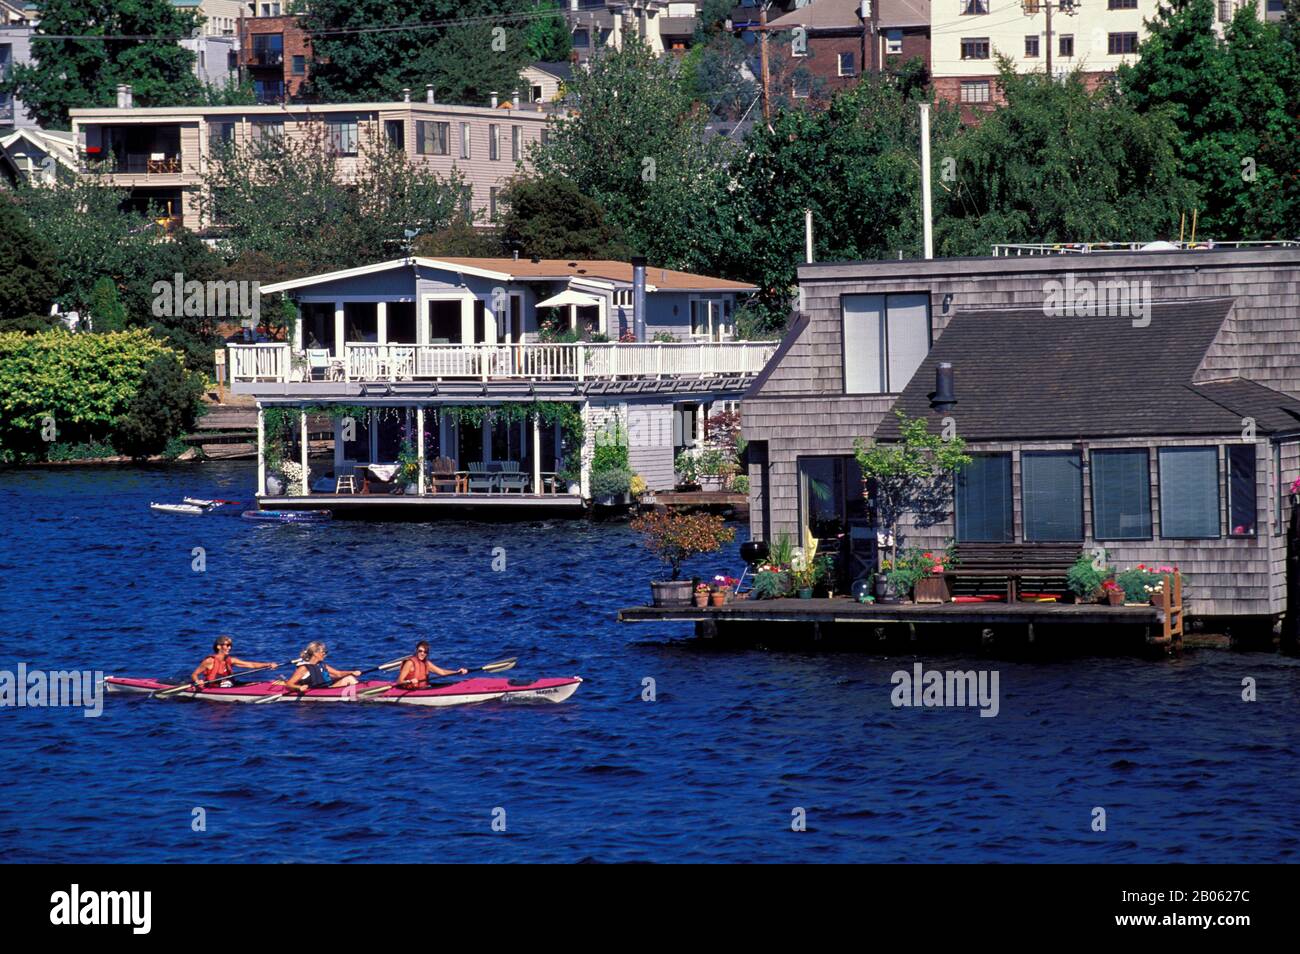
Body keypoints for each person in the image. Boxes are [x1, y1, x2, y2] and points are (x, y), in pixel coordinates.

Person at [190, 637, 276, 687]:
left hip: (230, 685)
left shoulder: (231, 660)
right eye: (227, 645)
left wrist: (268, 664)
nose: (229, 648)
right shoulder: (209, 661)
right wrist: (197, 681)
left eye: (230, 645)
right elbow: (194, 674)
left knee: (255, 684)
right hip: (213, 687)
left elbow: (251, 664)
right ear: (219, 647)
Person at [282, 642, 361, 694]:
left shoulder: (321, 664)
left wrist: (352, 672)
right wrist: (299, 687)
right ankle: (359, 694)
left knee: (349, 677)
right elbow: (289, 684)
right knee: (349, 679)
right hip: (315, 692)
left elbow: (338, 674)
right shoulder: (303, 668)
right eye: (323, 652)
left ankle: (359, 692)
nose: (325, 654)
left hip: (326, 688)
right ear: (315, 653)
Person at [396, 641, 467, 689]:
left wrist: (458, 672)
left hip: (424, 688)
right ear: (416, 650)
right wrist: (410, 681)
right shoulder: (410, 663)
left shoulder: (427, 663)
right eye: (420, 651)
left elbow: (442, 672)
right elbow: (399, 681)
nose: (422, 653)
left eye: (425, 652)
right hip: (411, 690)